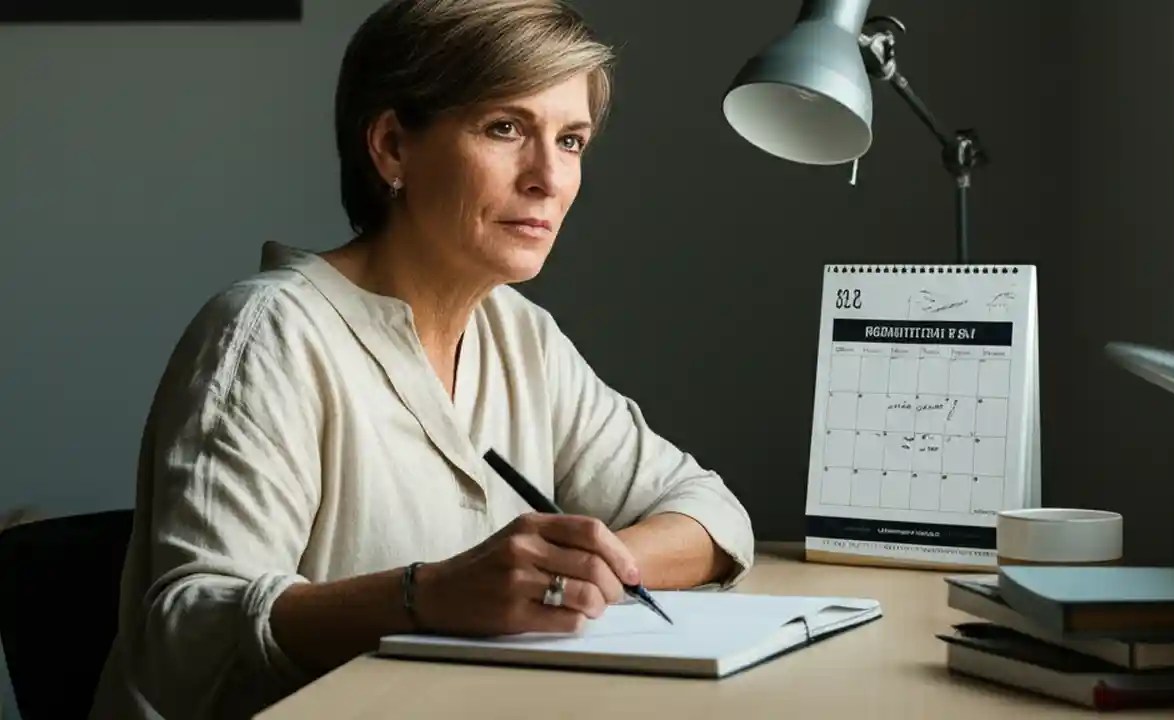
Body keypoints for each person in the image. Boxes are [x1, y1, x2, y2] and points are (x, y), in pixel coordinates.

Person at [88, 0, 755, 718]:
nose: (548, 178)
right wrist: (431, 594)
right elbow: (189, 635)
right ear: (392, 148)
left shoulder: (519, 334)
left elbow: (714, 515)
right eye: (506, 128)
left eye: (571, 141)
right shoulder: (267, 334)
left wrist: (574, 575)